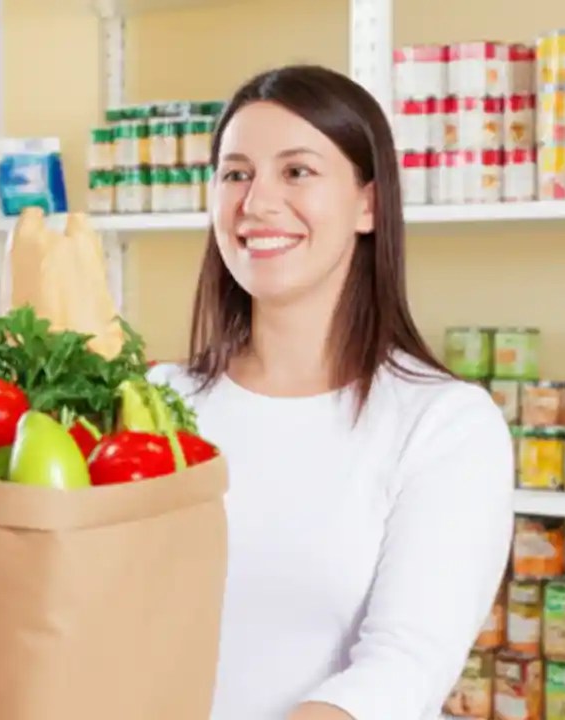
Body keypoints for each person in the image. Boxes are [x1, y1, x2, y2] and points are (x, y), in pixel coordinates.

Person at [148, 65, 515, 720]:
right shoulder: (158, 401)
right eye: (236, 173)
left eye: (296, 172)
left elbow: (405, 664)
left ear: (368, 205)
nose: (256, 202)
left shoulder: (444, 424)